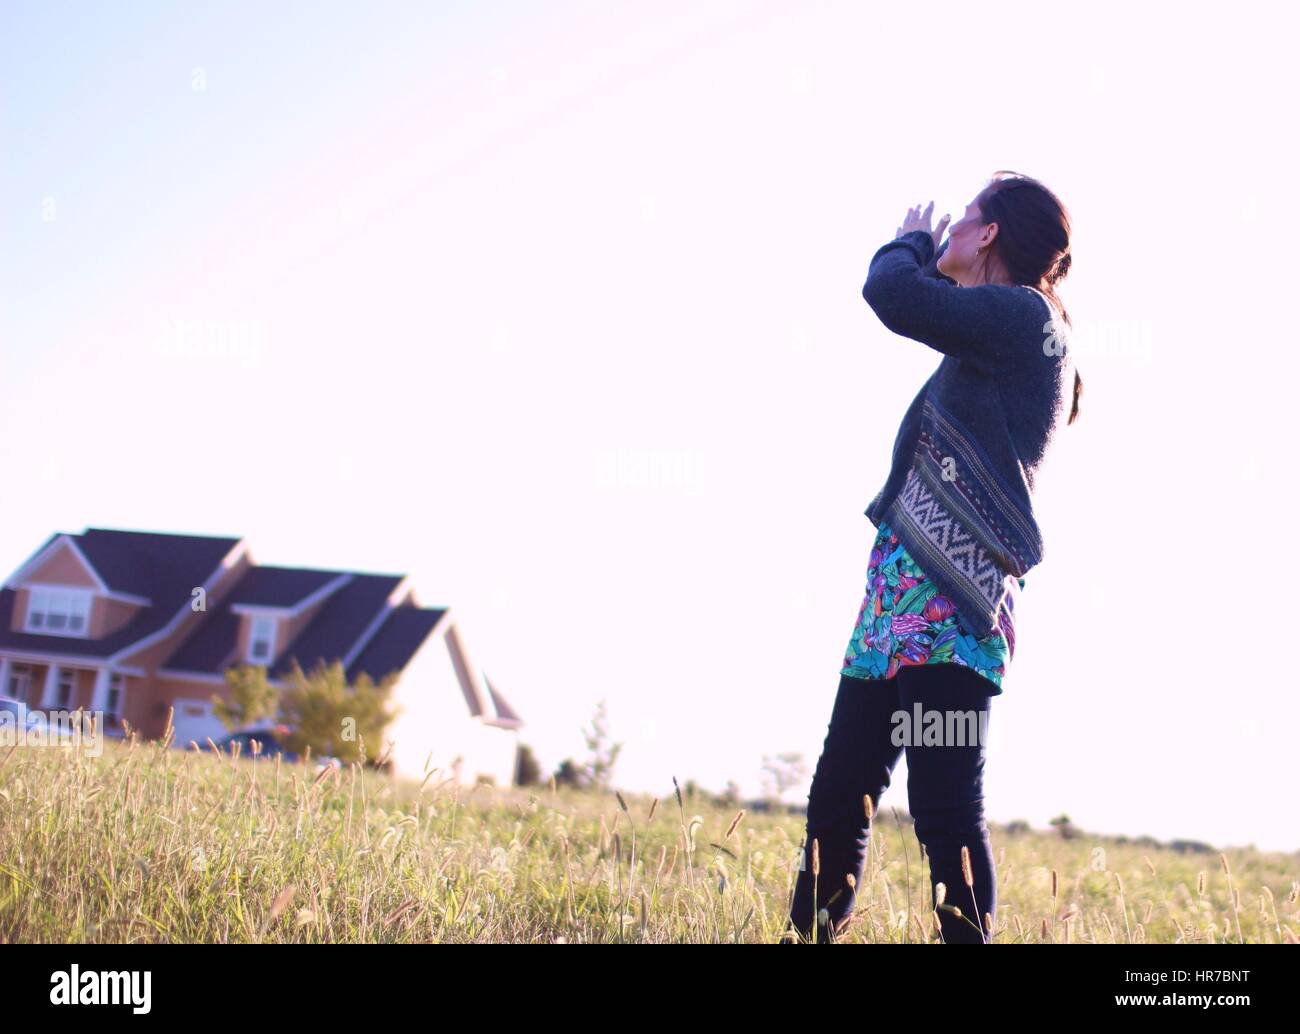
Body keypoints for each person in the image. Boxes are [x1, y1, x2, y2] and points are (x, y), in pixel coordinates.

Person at [783, 171, 1080, 944]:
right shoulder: (999, 328)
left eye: (963, 218)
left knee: (945, 811)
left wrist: (910, 242)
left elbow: (893, 294)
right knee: (839, 796)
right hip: (896, 614)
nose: (949, 227)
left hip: (951, 613)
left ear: (989, 235)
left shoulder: (1024, 317)